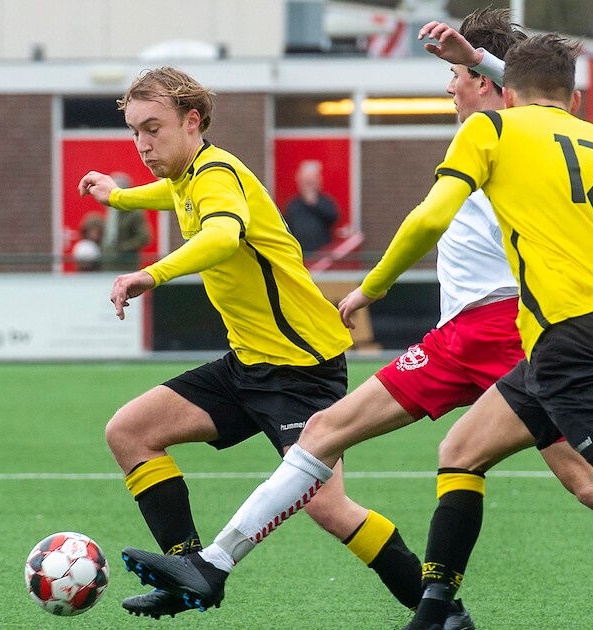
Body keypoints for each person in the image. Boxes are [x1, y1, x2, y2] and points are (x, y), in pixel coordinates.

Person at [118, 12, 593, 630]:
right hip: (518, 335)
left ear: (489, 84)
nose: (450, 86)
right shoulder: (537, 132)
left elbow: (462, 170)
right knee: (587, 482)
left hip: (489, 331)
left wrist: (371, 287)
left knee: (334, 434)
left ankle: (214, 565)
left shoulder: (498, 130)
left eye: (457, 75)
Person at [77, 67, 448, 625]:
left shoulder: (217, 174)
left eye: (153, 128)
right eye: (135, 132)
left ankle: (439, 611)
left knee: (329, 507)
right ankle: (187, 572)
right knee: (130, 431)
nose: (142, 144)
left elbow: (222, 234)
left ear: (192, 120)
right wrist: (122, 198)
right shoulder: (189, 176)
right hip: (249, 364)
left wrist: (149, 275)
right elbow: (173, 196)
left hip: (302, 369)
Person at [283, 160, 340, 254]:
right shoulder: (292, 205)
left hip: (322, 255)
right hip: (300, 254)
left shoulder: (325, 202)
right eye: (306, 182)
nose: (308, 185)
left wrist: (314, 203)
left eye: (311, 182)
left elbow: (333, 217)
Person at [100, 172, 152, 270]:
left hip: (127, 264)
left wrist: (122, 248)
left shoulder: (135, 212)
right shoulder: (110, 210)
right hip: (107, 263)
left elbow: (145, 237)